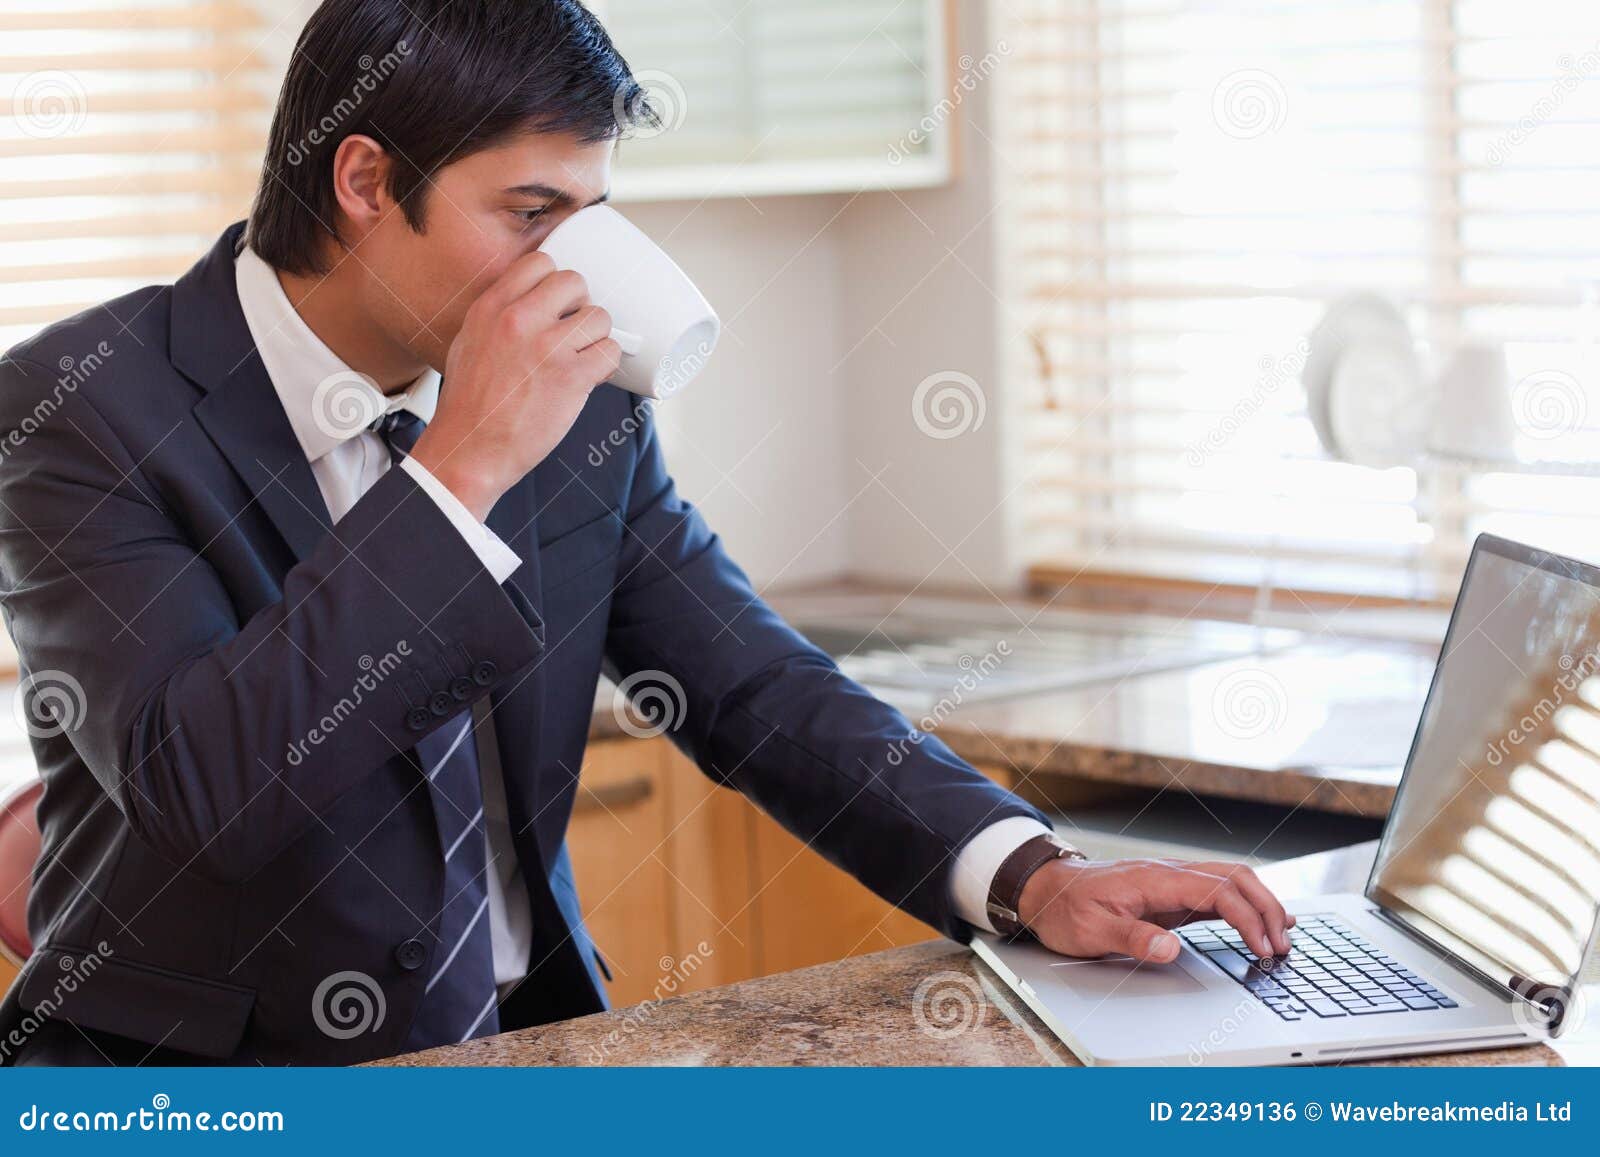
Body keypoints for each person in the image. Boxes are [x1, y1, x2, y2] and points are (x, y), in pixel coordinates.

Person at [0, 0, 1291, 1066]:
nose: (567, 271)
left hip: (532, 1049)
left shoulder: (580, 405)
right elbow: (201, 791)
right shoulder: (80, 412)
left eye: (589, 216)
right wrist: (461, 469)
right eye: (529, 213)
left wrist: (1032, 875)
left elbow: (757, 685)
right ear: (366, 181)